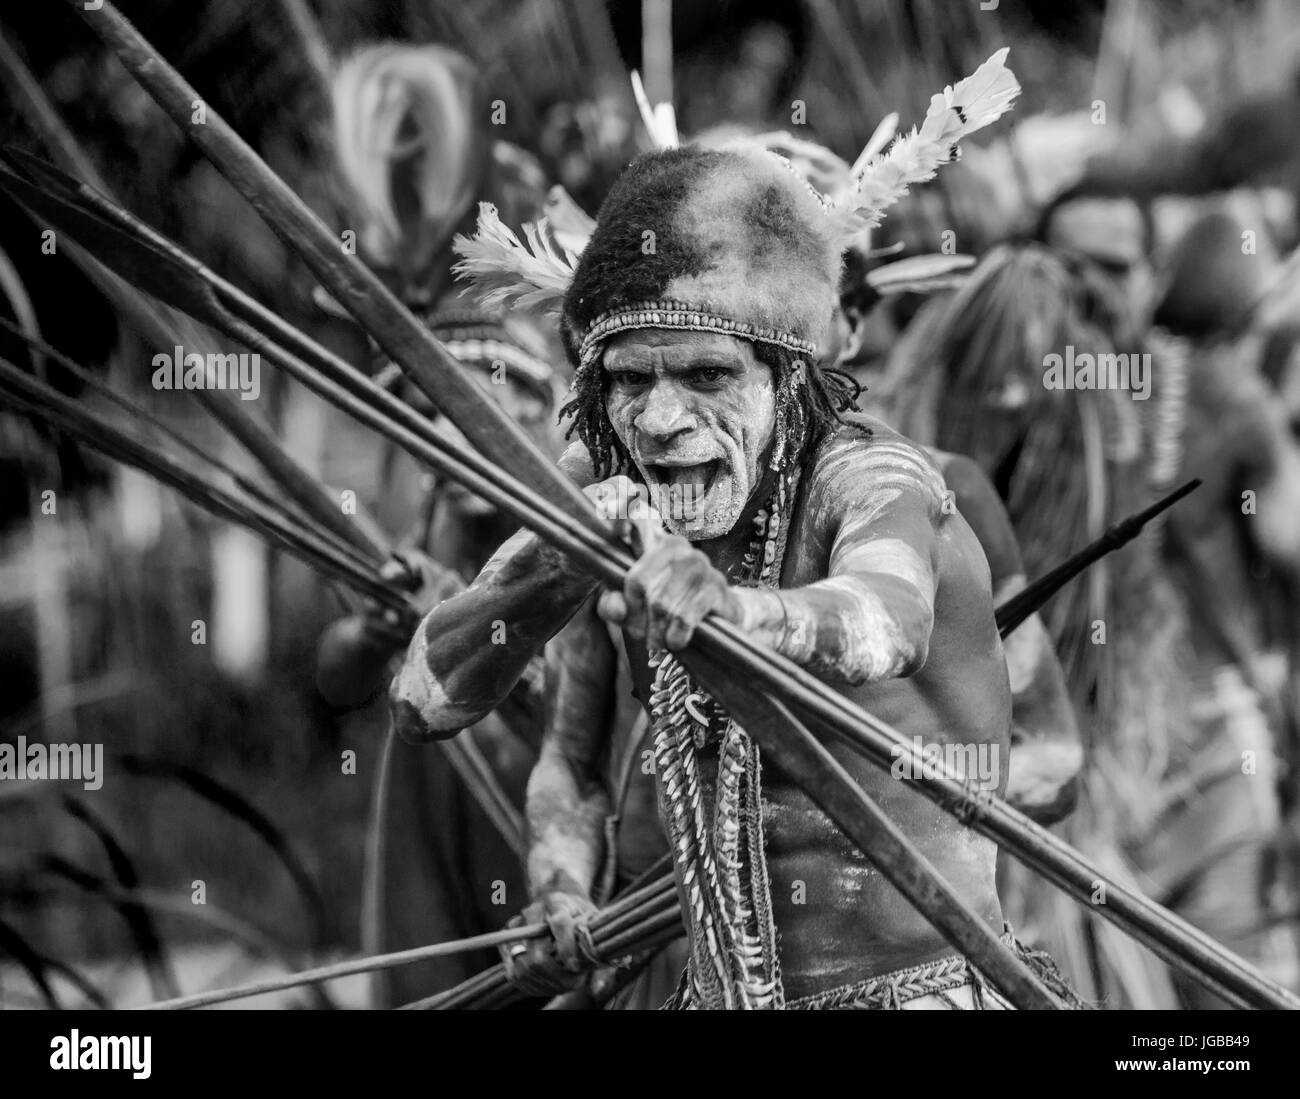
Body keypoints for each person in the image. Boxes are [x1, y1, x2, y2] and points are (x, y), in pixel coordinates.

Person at [391, 123, 1077, 1008]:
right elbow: (427, 697)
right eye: (630, 380)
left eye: (709, 375)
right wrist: (562, 889)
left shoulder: (876, 474)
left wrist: (730, 611)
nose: (662, 418)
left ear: (788, 375)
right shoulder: (613, 504)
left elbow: (886, 620)